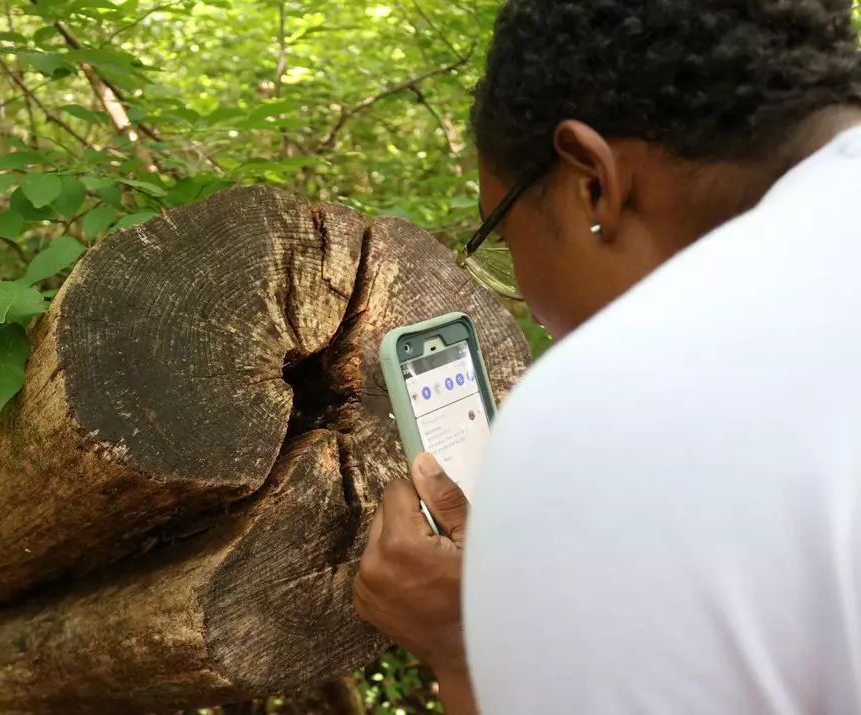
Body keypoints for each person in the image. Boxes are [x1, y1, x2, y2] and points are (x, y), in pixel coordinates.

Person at [353, 0, 861, 712]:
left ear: (592, 180)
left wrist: (465, 650)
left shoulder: (611, 408)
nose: (529, 302)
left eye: (500, 232)